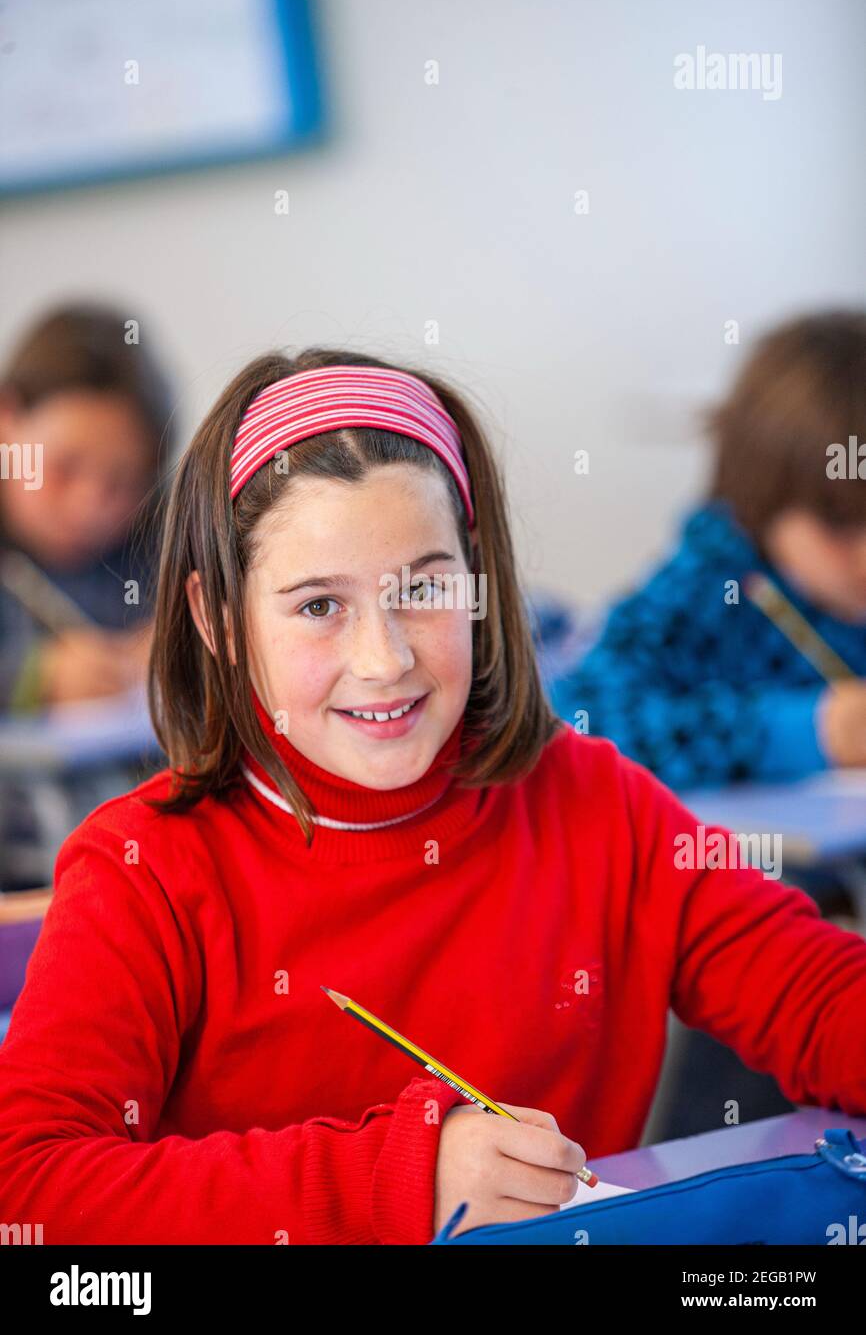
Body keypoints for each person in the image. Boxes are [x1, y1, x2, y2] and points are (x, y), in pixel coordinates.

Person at [0, 348, 863, 1245]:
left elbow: (815, 995)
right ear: (220, 619)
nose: (387, 658)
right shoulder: (144, 867)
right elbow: (29, 1186)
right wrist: (397, 1179)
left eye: (425, 587)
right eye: (319, 606)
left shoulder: (594, 802)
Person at [547, 310, 866, 788]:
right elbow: (582, 721)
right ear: (762, 493)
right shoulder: (710, 585)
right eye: (839, 525)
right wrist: (811, 732)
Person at [0, 303, 174, 711]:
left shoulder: (165, 529)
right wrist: (32, 679)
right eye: (62, 468)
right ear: (6, 421)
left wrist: (182, 644)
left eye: (123, 481)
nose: (89, 508)